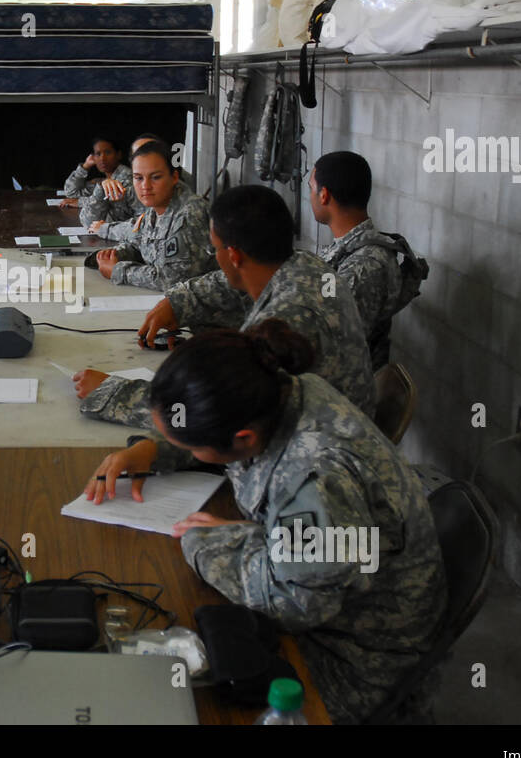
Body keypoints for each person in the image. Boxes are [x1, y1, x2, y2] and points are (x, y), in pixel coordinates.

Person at [83, 323, 447, 724]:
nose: (188, 448)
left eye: (191, 444)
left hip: (354, 661)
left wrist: (207, 547)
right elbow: (219, 429)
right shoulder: (280, 391)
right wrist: (153, 451)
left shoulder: (315, 481)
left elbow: (298, 605)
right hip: (334, 587)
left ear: (241, 438)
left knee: (171, 695)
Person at [75, 184, 374, 424]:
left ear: (233, 256)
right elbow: (225, 285)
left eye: (214, 249)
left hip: (315, 458)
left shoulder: (282, 323)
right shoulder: (305, 266)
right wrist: (180, 302)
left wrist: (113, 394)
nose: (214, 257)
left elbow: (216, 413)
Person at [309, 150, 407, 369]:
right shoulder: (348, 248)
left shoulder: (366, 264)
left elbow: (334, 344)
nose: (310, 197)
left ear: (324, 195)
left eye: (311, 189)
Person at [89, 141, 215, 291]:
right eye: (138, 178)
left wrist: (119, 271)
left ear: (174, 177)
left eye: (155, 177)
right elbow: (141, 244)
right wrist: (112, 255)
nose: (145, 186)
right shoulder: (156, 207)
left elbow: (172, 279)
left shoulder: (189, 213)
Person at [78, 132, 157, 236]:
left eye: (147, 154)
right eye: (137, 155)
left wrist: (106, 230)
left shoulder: (127, 181)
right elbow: (89, 222)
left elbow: (146, 228)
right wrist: (101, 189)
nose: (102, 158)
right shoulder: (122, 180)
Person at [59, 135, 129, 207]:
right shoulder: (102, 181)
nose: (102, 158)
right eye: (98, 154)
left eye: (108, 152)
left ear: (118, 155)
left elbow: (110, 202)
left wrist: (80, 202)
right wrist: (85, 166)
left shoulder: (126, 176)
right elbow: (71, 193)